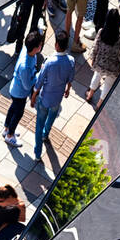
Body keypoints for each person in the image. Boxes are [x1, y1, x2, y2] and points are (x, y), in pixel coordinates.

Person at [31, 33, 76, 163]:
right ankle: (46, 135)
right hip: (57, 98)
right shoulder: (71, 61)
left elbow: (39, 81)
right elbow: (70, 78)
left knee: (39, 124)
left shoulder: (49, 61)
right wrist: (67, 89)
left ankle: (38, 153)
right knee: (51, 117)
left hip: (45, 98)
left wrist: (34, 96)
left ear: (56, 45)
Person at [3, 31, 45, 148]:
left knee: (13, 109)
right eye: (40, 44)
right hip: (19, 93)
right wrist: (38, 74)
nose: (42, 46)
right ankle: (10, 136)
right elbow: (28, 85)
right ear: (36, 48)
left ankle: (7, 128)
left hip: (16, 90)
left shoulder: (27, 52)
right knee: (18, 113)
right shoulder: (25, 66)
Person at [85, 12, 120, 103]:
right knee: (108, 84)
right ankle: (99, 104)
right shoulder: (118, 40)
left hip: (100, 63)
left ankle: (89, 95)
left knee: (96, 76)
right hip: (112, 68)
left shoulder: (101, 32)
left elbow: (95, 47)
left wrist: (93, 59)